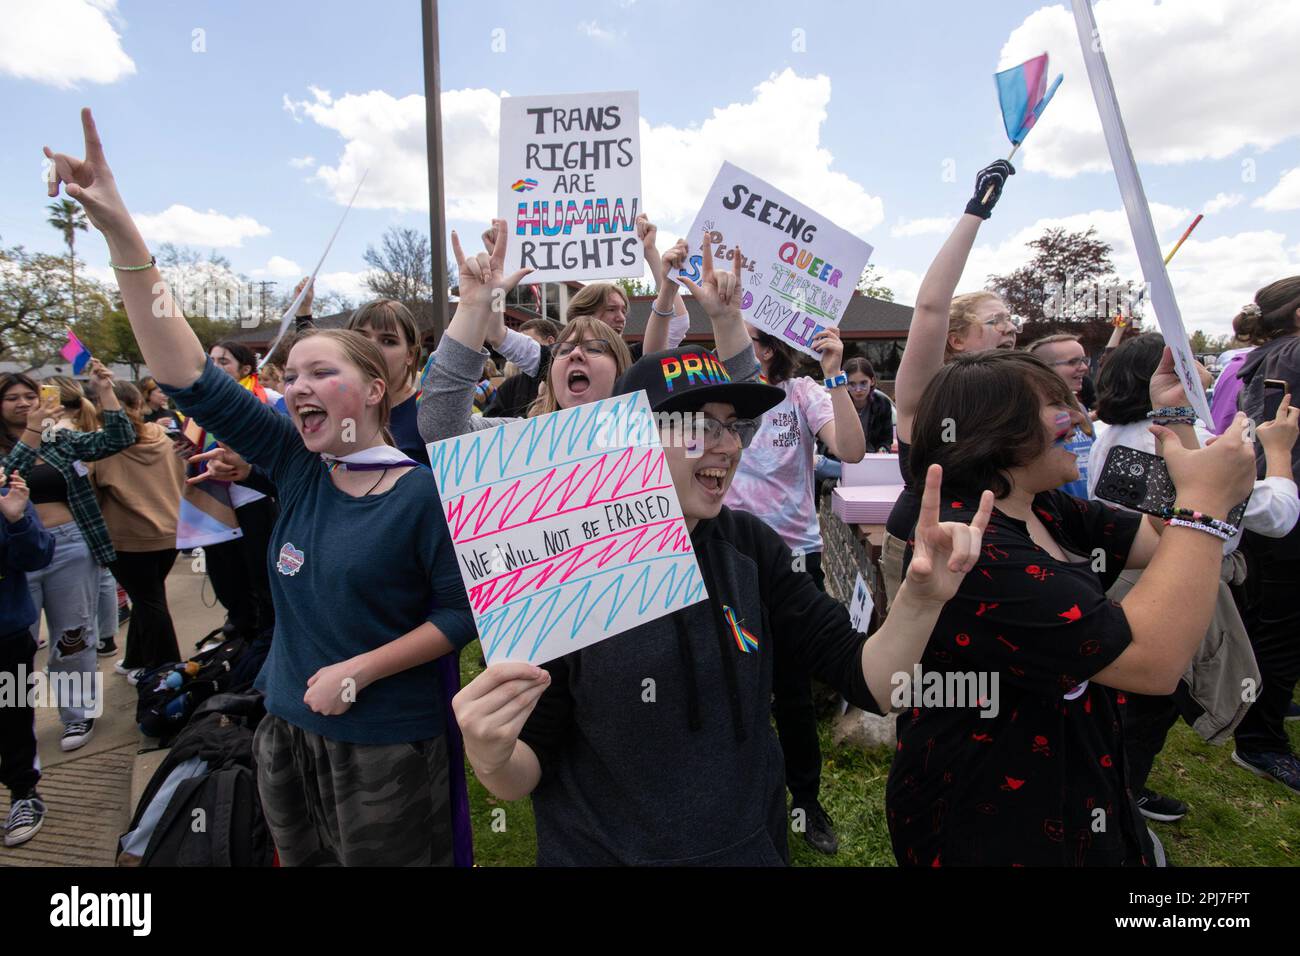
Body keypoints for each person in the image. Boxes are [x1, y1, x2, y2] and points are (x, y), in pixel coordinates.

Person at [450, 234, 996, 866]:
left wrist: (919, 604)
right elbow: (523, 772)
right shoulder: (564, 553)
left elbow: (876, 683)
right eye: (696, 427)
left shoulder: (749, 547)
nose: (729, 446)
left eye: (731, 426)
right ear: (630, 438)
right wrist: (490, 754)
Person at [46, 107, 477, 866]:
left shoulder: (424, 493)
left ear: (377, 389)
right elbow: (187, 377)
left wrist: (357, 671)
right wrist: (122, 234)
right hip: (282, 732)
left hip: (386, 747)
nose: (294, 387)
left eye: (321, 372)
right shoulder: (299, 464)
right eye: (290, 375)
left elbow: (458, 614)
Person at [885, 349, 1256, 865]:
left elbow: (1157, 538)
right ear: (999, 429)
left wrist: (1176, 421)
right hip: (991, 808)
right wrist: (1207, 506)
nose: (1082, 416)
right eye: (1058, 403)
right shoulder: (974, 548)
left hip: (1073, 771)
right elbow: (1152, 662)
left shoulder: (1039, 504)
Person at [1089, 332, 1299, 821]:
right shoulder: (1188, 443)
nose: (1203, 368)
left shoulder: (1113, 435)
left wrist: (1180, 417)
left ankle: (1118, 791)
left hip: (1124, 578)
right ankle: (1118, 801)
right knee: (1157, 698)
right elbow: (1276, 516)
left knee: (1130, 703)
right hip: (1174, 583)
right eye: (1189, 361)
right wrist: (1280, 449)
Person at [723, 322, 865, 854]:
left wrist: (833, 375)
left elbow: (849, 450)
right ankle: (740, 799)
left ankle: (805, 801)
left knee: (792, 693)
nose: (750, 350)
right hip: (725, 560)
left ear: (777, 346)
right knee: (732, 686)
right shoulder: (723, 397)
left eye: (760, 340)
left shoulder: (802, 392)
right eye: (741, 339)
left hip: (790, 563)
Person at [419, 220, 702, 444]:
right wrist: (472, 306)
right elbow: (442, 431)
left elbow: (673, 327)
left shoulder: (654, 435)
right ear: (550, 374)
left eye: (595, 348)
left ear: (625, 374)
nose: (575, 354)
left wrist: (657, 263)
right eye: (563, 350)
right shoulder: (526, 437)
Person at [884, 160, 1020, 608]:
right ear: (956, 338)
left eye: (1012, 319)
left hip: (997, 547)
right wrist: (975, 214)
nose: (1011, 327)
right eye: (995, 319)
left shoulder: (1018, 395)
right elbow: (929, 307)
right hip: (923, 549)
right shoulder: (928, 395)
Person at [0, 361, 133, 751]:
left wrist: (105, 391)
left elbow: (116, 439)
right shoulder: (29, 438)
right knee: (16, 647)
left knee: (73, 637)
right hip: (12, 560)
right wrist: (31, 433)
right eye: (12, 398)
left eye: (30, 395)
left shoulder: (59, 439)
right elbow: (8, 480)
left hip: (69, 546)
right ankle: (14, 726)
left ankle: (78, 715)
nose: (24, 403)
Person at [1225, 276, 1300, 791]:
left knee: (1267, 619)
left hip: (1273, 496)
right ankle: (1259, 740)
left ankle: (1258, 701)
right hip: (1281, 504)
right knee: (1281, 625)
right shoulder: (1290, 354)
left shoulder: (1270, 355)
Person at [183, 339, 278, 645]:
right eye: (211, 360)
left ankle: (268, 639)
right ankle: (240, 633)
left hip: (254, 501)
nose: (214, 367)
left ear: (246, 369)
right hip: (212, 502)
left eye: (223, 362)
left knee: (263, 576)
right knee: (226, 578)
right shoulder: (196, 407)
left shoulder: (269, 400)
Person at [89, 381, 187, 671]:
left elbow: (90, 493)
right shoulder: (165, 437)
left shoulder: (102, 446)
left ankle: (165, 670)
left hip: (129, 537)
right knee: (148, 597)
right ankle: (136, 659)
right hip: (170, 532)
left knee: (149, 600)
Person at [0, 471, 55, 847]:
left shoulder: (8, 493)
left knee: (14, 716)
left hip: (8, 632)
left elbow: (37, 555)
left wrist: (16, 518)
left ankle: (24, 793)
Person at [1026, 333, 1095, 497]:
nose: (1084, 367)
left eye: (1084, 360)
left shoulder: (1080, 409)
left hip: (1090, 511)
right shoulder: (1031, 414)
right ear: (1043, 369)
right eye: (1073, 362)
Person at [481, 318, 559, 418]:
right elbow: (491, 417)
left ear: (550, 342)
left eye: (529, 343)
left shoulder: (566, 384)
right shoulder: (510, 386)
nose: (518, 350)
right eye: (519, 342)